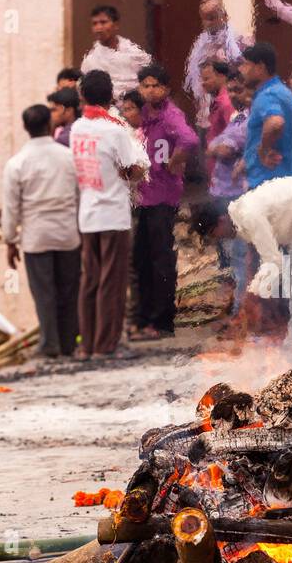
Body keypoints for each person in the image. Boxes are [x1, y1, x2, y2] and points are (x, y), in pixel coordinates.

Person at [192, 176, 292, 349]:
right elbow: (258, 257)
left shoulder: (248, 215)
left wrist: (252, 296)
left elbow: (274, 262)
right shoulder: (240, 218)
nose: (219, 239)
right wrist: (252, 292)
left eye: (215, 234)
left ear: (221, 220)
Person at [69, 70, 150, 358]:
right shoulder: (114, 130)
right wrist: (139, 169)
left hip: (88, 212)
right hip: (112, 213)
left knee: (89, 279)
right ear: (110, 96)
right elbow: (132, 169)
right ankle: (107, 345)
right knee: (112, 282)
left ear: (82, 97)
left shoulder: (77, 128)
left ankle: (88, 344)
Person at [1, 104, 81, 359]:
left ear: (25, 128)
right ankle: (69, 342)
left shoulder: (16, 164)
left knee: (44, 293)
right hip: (68, 233)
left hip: (36, 237)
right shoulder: (68, 156)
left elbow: (11, 207)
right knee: (68, 290)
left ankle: (50, 344)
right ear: (49, 125)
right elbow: (79, 195)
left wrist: (10, 240)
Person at [130, 63, 197, 341]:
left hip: (163, 196)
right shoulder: (143, 114)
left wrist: (176, 160)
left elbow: (190, 139)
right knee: (142, 258)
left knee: (160, 258)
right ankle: (144, 317)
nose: (150, 90)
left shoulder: (171, 116)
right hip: (144, 196)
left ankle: (162, 319)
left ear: (166, 89)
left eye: (155, 85)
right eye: (145, 85)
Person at [206, 73, 253, 316]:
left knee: (240, 257)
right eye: (231, 89)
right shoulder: (237, 119)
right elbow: (213, 146)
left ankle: (241, 312)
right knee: (230, 259)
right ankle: (236, 309)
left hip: (239, 197)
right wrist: (216, 148)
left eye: (239, 89)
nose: (234, 95)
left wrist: (217, 148)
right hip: (225, 194)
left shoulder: (249, 122)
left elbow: (222, 149)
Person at [238, 42, 292, 189]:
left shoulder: (267, 95)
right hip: (288, 180)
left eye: (246, 65)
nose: (242, 70)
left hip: (267, 184)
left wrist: (264, 149)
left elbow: (275, 122)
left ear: (260, 67)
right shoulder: (284, 93)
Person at [184, 0, 247, 132]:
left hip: (231, 107)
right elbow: (194, 78)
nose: (208, 23)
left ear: (224, 15)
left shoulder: (239, 40)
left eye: (212, 18)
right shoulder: (200, 45)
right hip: (206, 113)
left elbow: (246, 72)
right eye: (205, 19)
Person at [80, 5, 153, 97]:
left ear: (116, 25)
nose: (98, 28)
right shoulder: (90, 61)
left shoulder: (134, 51)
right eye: (94, 23)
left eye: (103, 22)